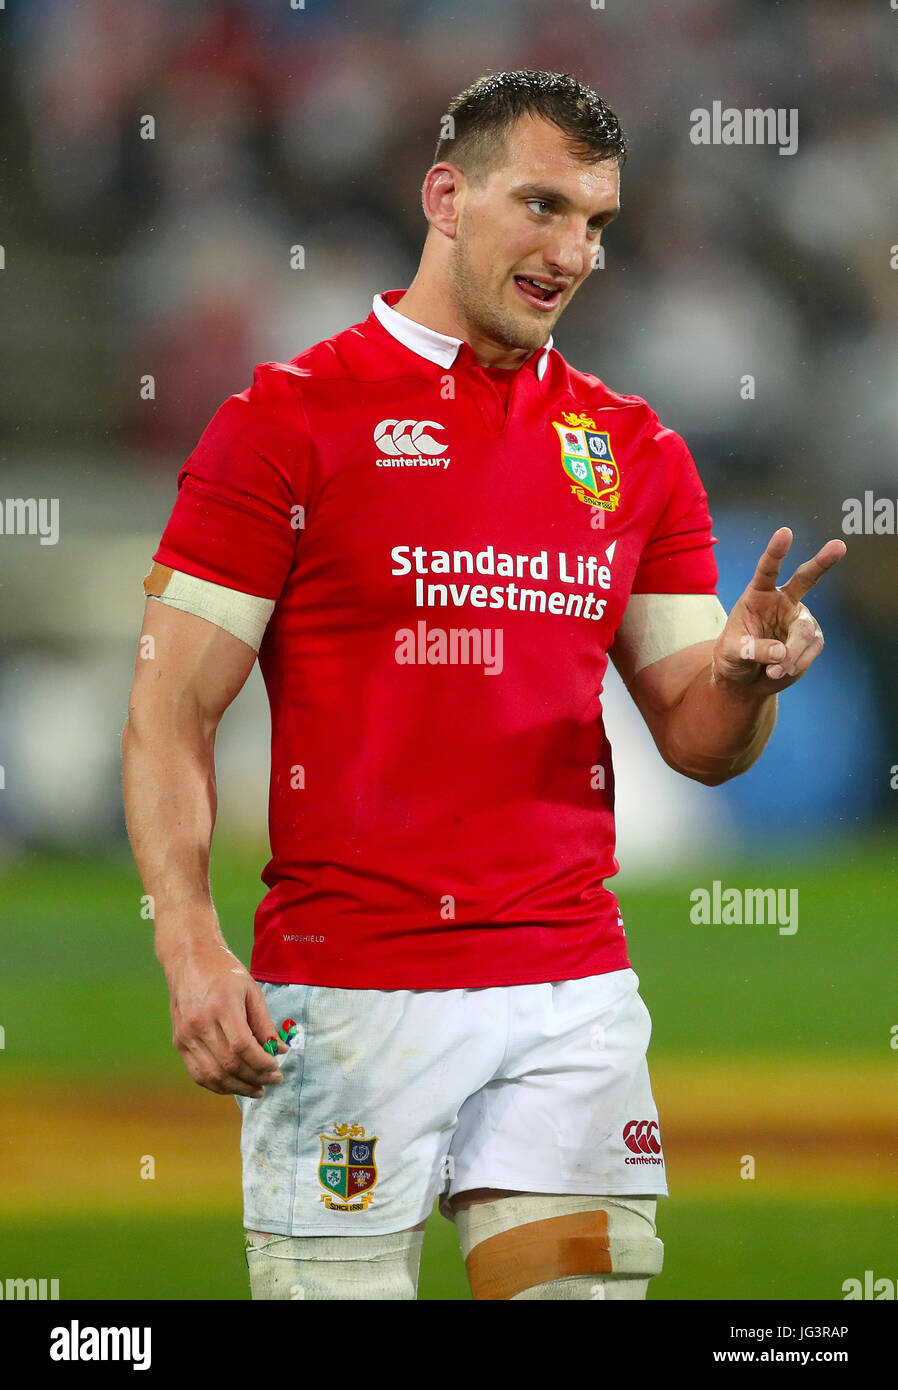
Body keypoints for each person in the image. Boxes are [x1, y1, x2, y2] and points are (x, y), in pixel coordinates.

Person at [121, 69, 845, 1301]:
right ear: (445, 195)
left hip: (570, 989)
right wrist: (190, 947)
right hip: (349, 1000)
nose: (572, 252)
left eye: (598, 224)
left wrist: (743, 675)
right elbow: (168, 712)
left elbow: (699, 740)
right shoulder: (284, 423)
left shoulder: (634, 452)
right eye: (543, 205)